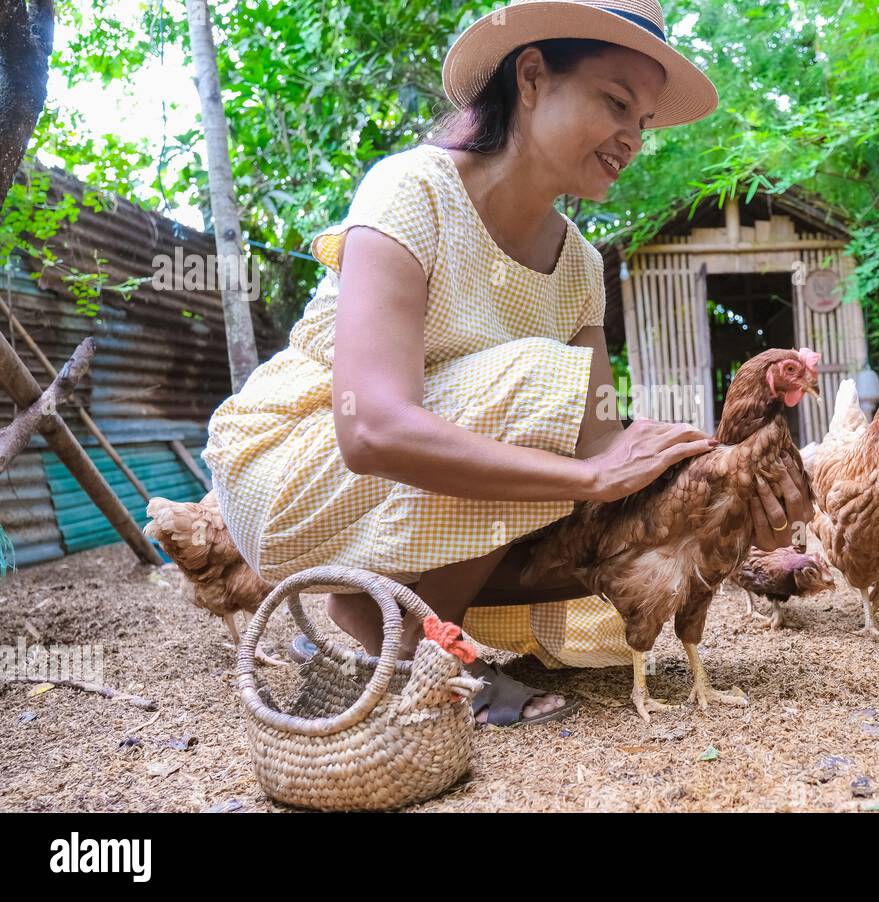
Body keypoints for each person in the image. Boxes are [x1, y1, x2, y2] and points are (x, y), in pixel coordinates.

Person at [201, 0, 813, 726]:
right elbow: (372, 431)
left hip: (422, 485)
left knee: (615, 563)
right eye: (616, 103)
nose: (632, 138)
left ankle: (383, 608)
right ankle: (417, 656)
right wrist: (590, 473)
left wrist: (731, 501)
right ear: (530, 77)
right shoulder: (413, 190)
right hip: (299, 464)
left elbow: (599, 441)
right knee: (544, 390)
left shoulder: (581, 267)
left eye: (643, 121)